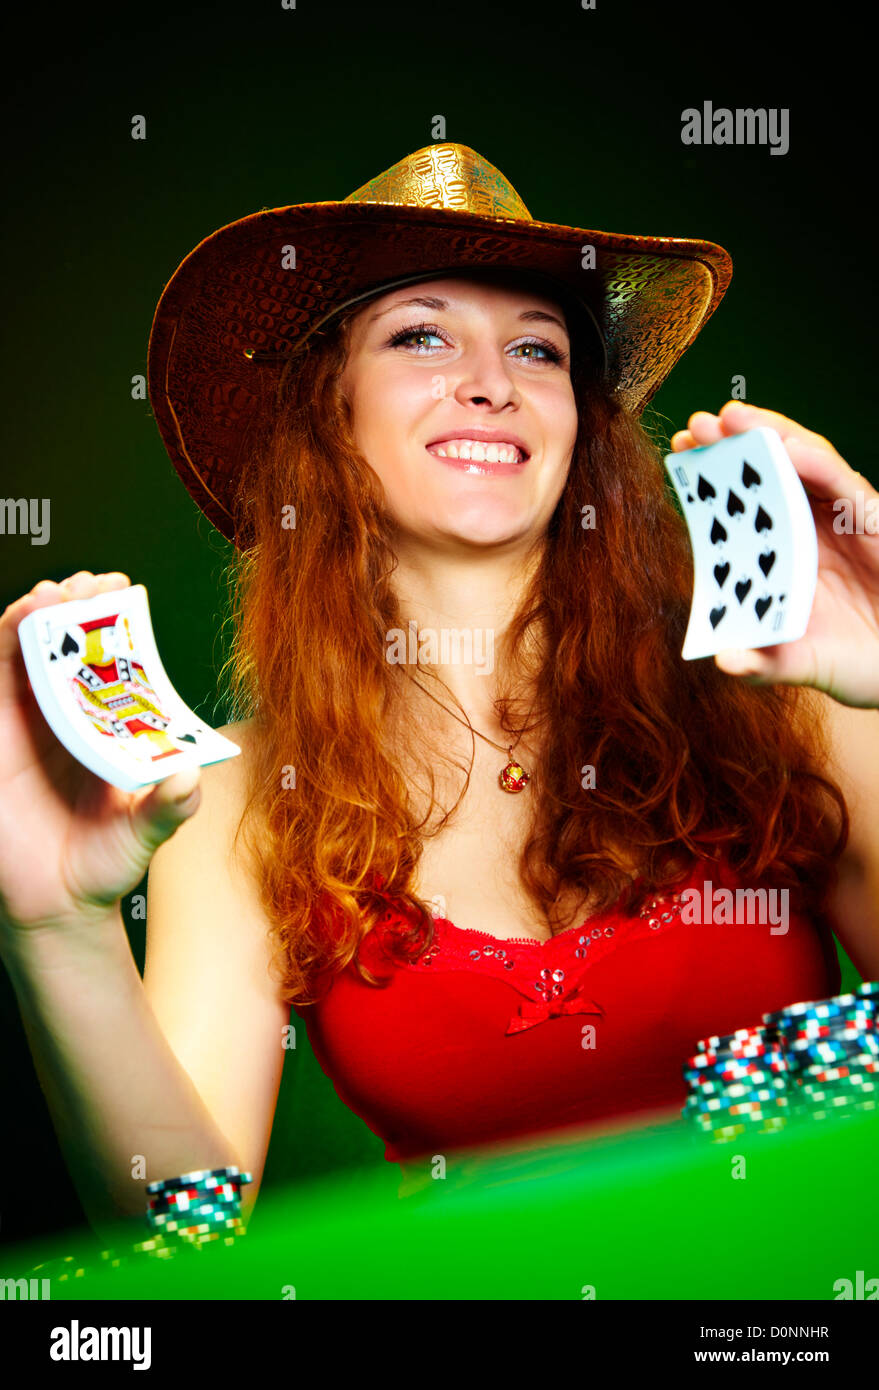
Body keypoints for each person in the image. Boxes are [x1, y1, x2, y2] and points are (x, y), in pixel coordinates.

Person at [1, 144, 878, 1239]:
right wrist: (55, 929)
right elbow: (182, 1238)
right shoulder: (232, 804)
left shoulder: (784, 684)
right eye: (421, 335)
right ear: (329, 409)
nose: (491, 381)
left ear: (580, 424)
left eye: (537, 348)